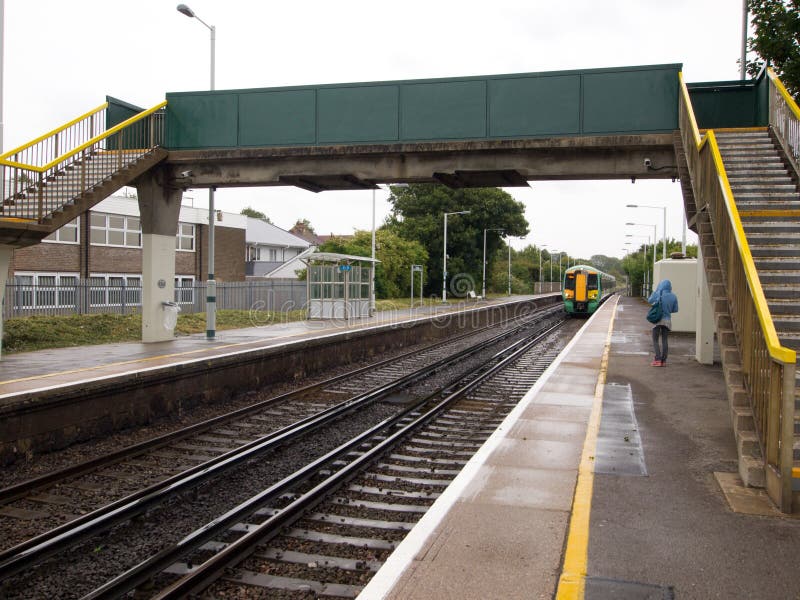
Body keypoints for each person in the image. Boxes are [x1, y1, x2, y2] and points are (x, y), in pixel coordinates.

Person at [648, 279, 679, 367]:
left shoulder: (658, 293)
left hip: (658, 320)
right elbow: (675, 310)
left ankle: (657, 359)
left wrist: (656, 291)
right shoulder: (673, 296)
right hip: (667, 320)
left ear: (661, 285)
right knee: (665, 340)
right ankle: (663, 361)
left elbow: (650, 300)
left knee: (655, 340)